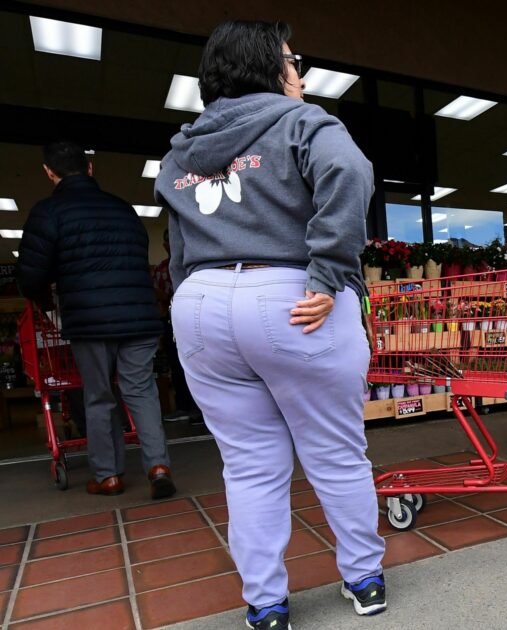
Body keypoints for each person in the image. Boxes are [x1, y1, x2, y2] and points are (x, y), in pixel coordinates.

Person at [153, 21, 386, 630]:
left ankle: (267, 606)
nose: (301, 75)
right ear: (266, 67)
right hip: (291, 298)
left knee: (249, 463)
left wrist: (191, 298)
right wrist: (329, 272)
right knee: (335, 451)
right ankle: (363, 579)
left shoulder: (180, 151)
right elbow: (350, 176)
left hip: (201, 303)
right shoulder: (305, 123)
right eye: (292, 60)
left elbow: (177, 243)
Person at [17, 141, 176, 500]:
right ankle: (158, 467)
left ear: (49, 172)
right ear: (90, 168)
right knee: (141, 391)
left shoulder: (48, 212)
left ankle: (108, 476)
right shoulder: (122, 209)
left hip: (89, 321)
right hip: (138, 316)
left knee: (100, 396)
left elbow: (31, 275)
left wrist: (45, 301)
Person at [152, 228, 202, 425]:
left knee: (184, 364)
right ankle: (192, 408)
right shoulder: (195, 265)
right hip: (186, 319)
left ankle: (190, 408)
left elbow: (162, 297)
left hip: (178, 319)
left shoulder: (167, 268)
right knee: (185, 364)